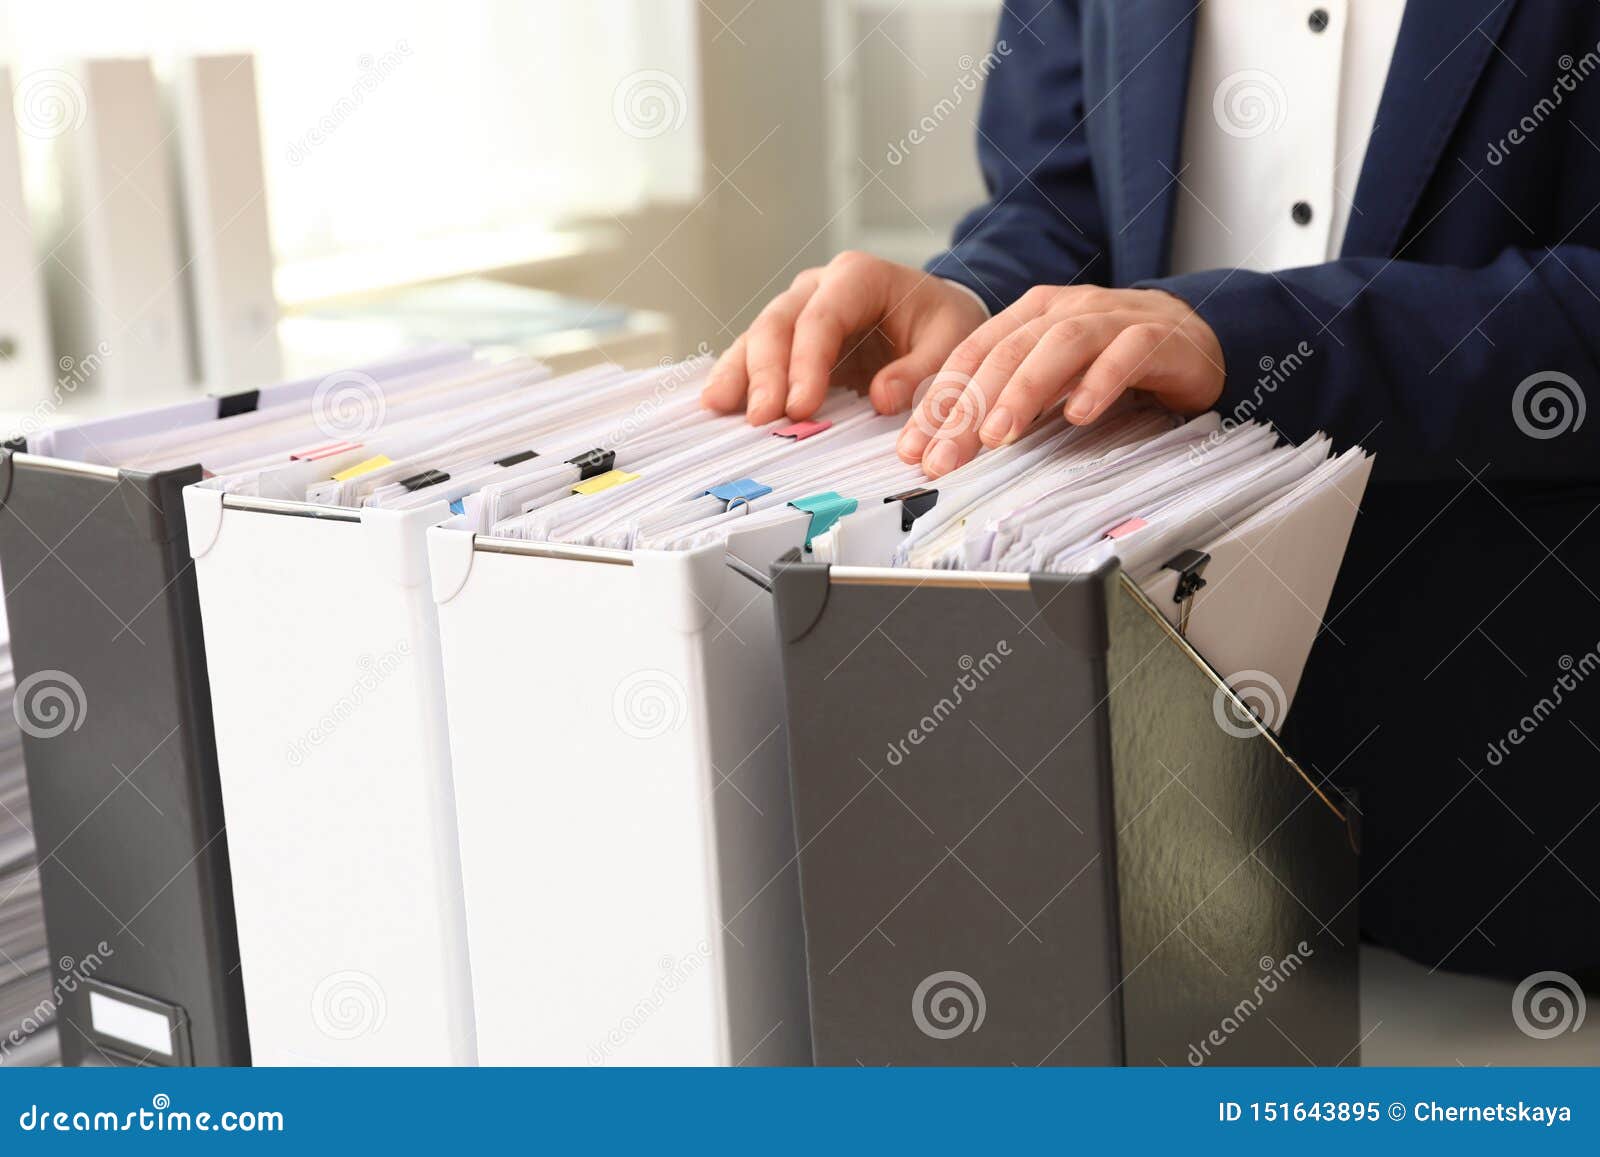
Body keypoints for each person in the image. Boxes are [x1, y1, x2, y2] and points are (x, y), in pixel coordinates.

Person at [703, 0, 1600, 986]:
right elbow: (1055, 207)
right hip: (1138, 824)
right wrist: (972, 308)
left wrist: (1242, 334)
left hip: (1517, 821)